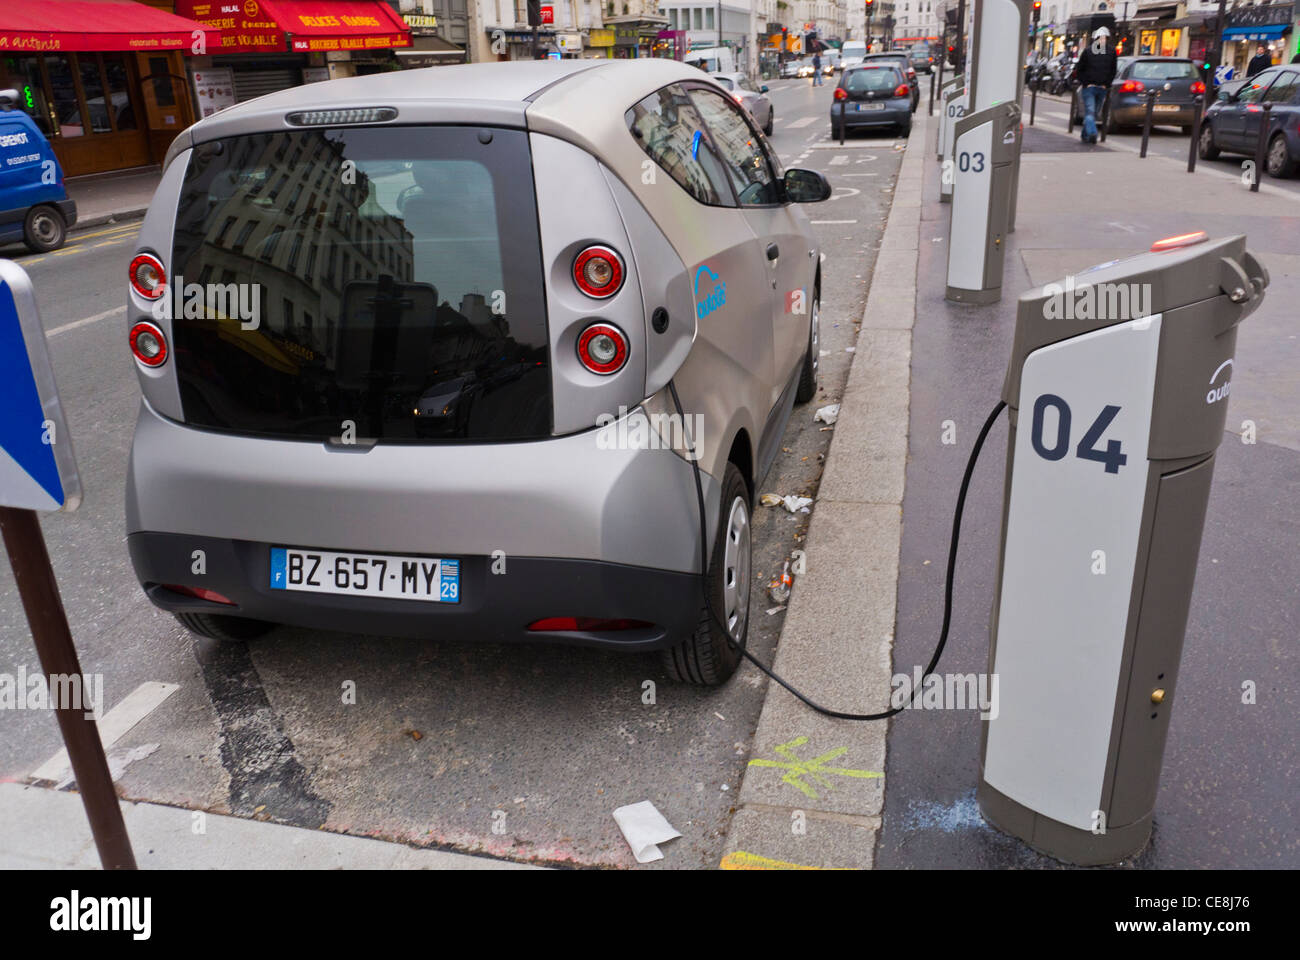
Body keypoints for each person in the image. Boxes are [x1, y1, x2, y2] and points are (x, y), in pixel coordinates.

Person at [1073, 27, 1117, 145]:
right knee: (1091, 113)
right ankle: (1093, 133)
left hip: (1095, 87)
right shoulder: (1094, 51)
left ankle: (1085, 135)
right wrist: (1103, 84)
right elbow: (1113, 70)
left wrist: (1087, 83)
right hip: (1094, 87)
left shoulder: (1090, 51)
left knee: (1091, 113)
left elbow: (1079, 69)